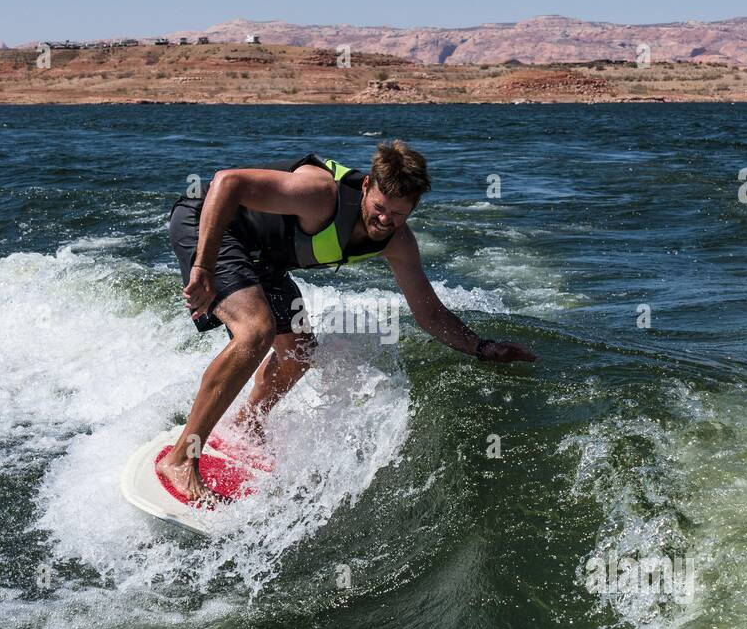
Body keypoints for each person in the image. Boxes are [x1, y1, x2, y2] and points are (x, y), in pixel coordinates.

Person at [162, 141, 536, 502]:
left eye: (399, 213)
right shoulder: (320, 195)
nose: (386, 219)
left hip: (263, 258)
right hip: (210, 222)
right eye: (380, 207)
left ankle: (247, 425)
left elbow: (430, 312)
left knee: (300, 353)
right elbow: (227, 182)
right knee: (256, 332)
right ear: (367, 186)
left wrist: (482, 347)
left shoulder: (397, 241)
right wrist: (204, 267)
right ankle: (181, 458)